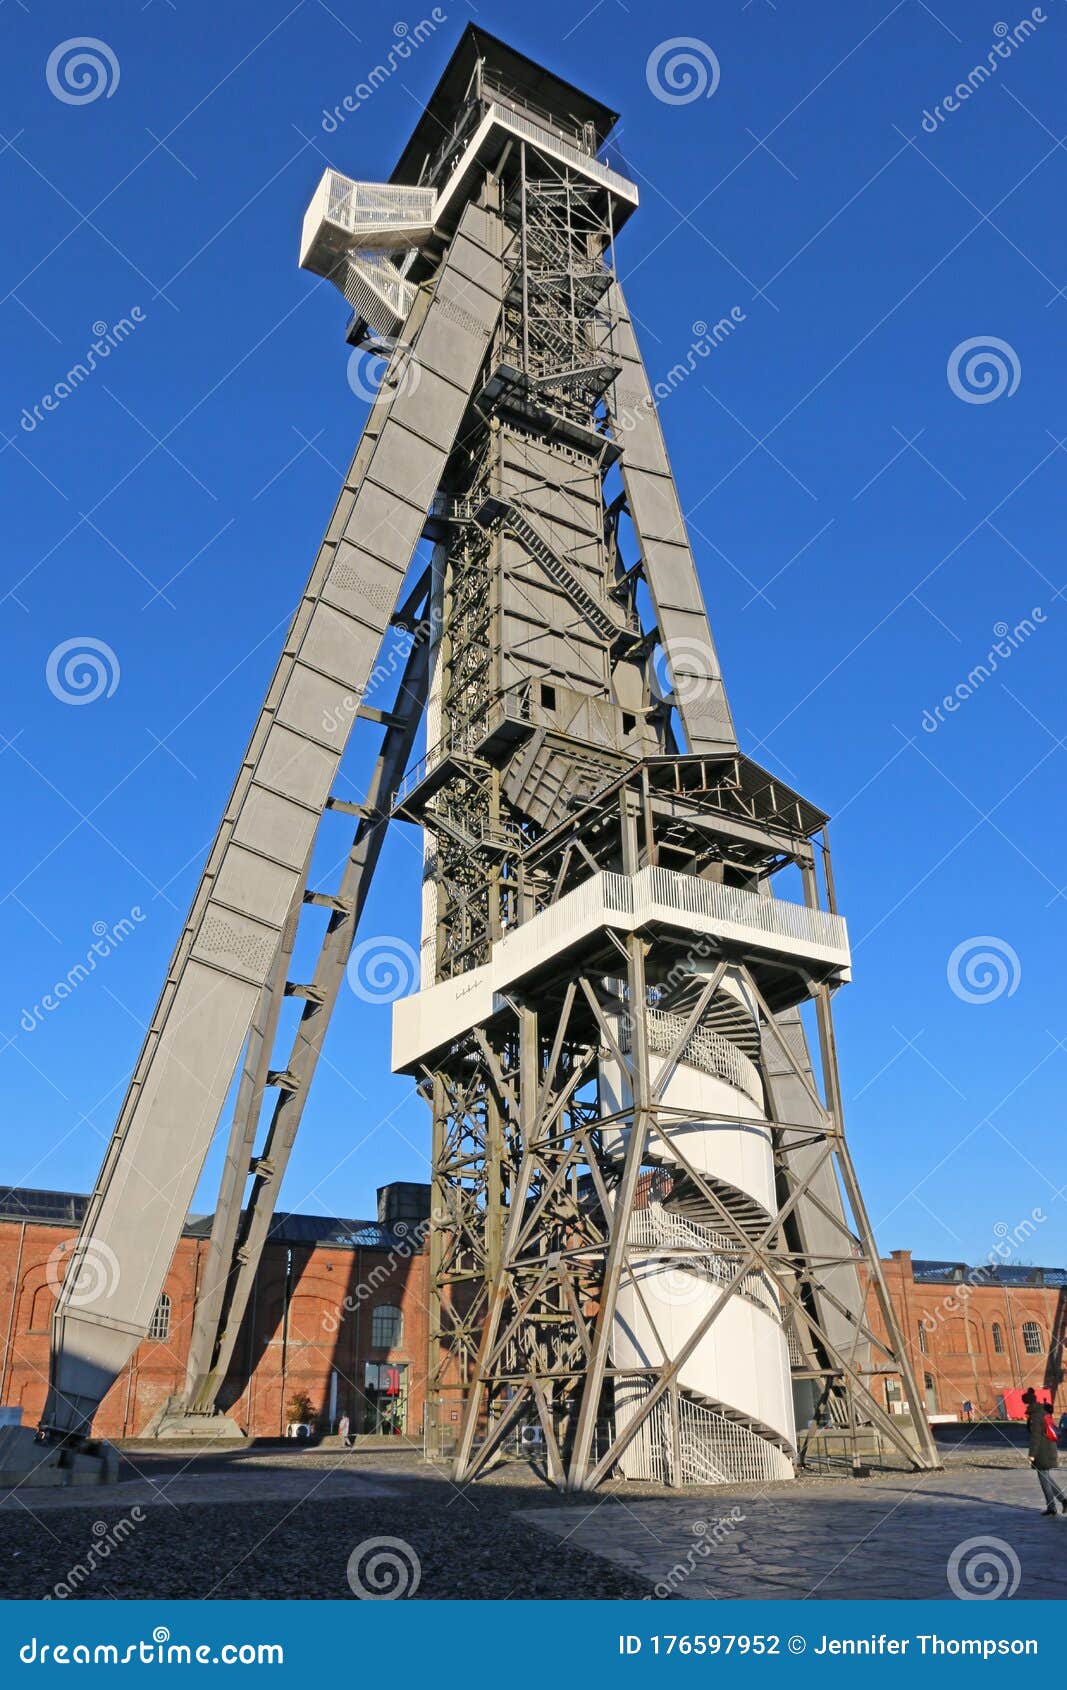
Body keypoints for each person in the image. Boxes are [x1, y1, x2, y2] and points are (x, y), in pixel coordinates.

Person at [1023, 1387, 1066, 1516]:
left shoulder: (1035, 1416)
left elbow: (1035, 1437)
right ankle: (1064, 1500)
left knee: (1043, 1480)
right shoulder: (1043, 1411)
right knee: (1046, 1477)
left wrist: (1031, 1455)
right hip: (1049, 1448)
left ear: (1028, 1403)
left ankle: (1052, 1507)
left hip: (1042, 1451)